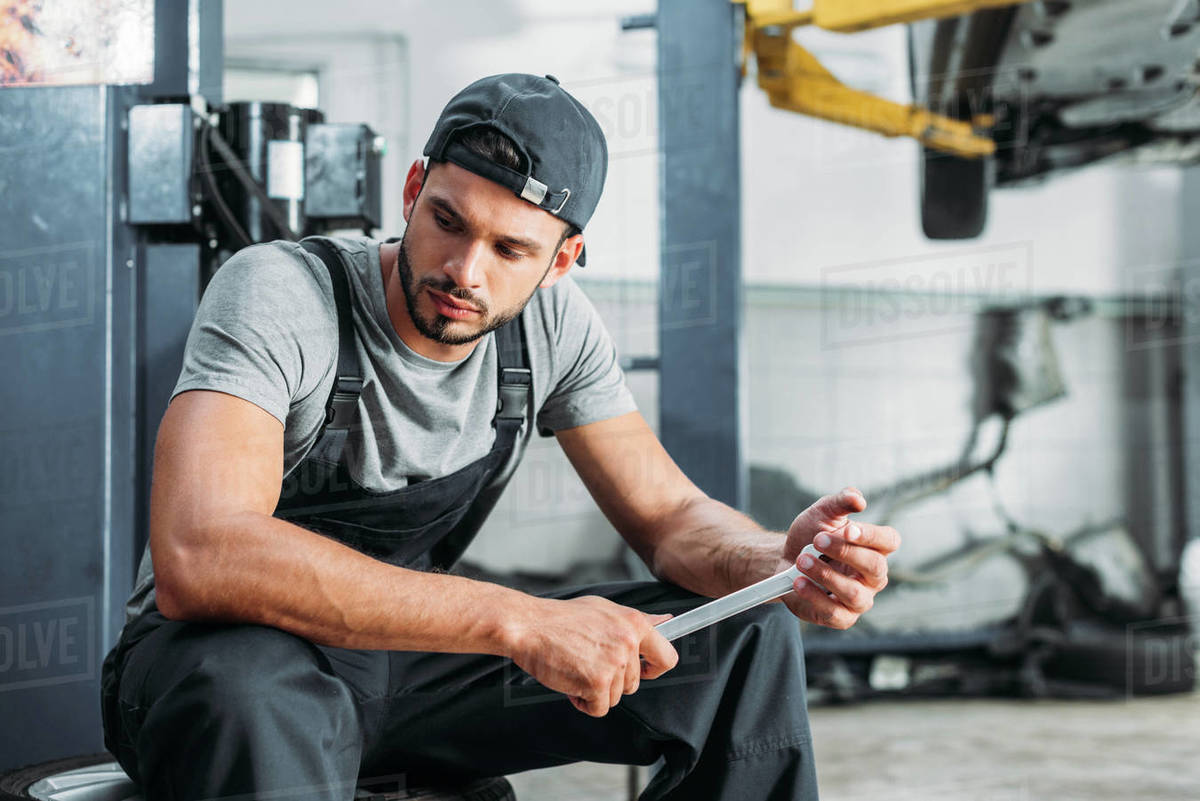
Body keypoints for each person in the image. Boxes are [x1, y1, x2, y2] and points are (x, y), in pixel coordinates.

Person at [100, 73, 899, 801]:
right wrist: (520, 620)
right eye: (448, 220)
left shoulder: (554, 330)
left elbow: (671, 520)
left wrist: (777, 563)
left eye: (511, 249)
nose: (464, 270)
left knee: (745, 637)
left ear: (561, 261)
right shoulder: (281, 292)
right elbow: (202, 553)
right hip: (219, 665)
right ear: (413, 189)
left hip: (407, 666)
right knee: (252, 693)